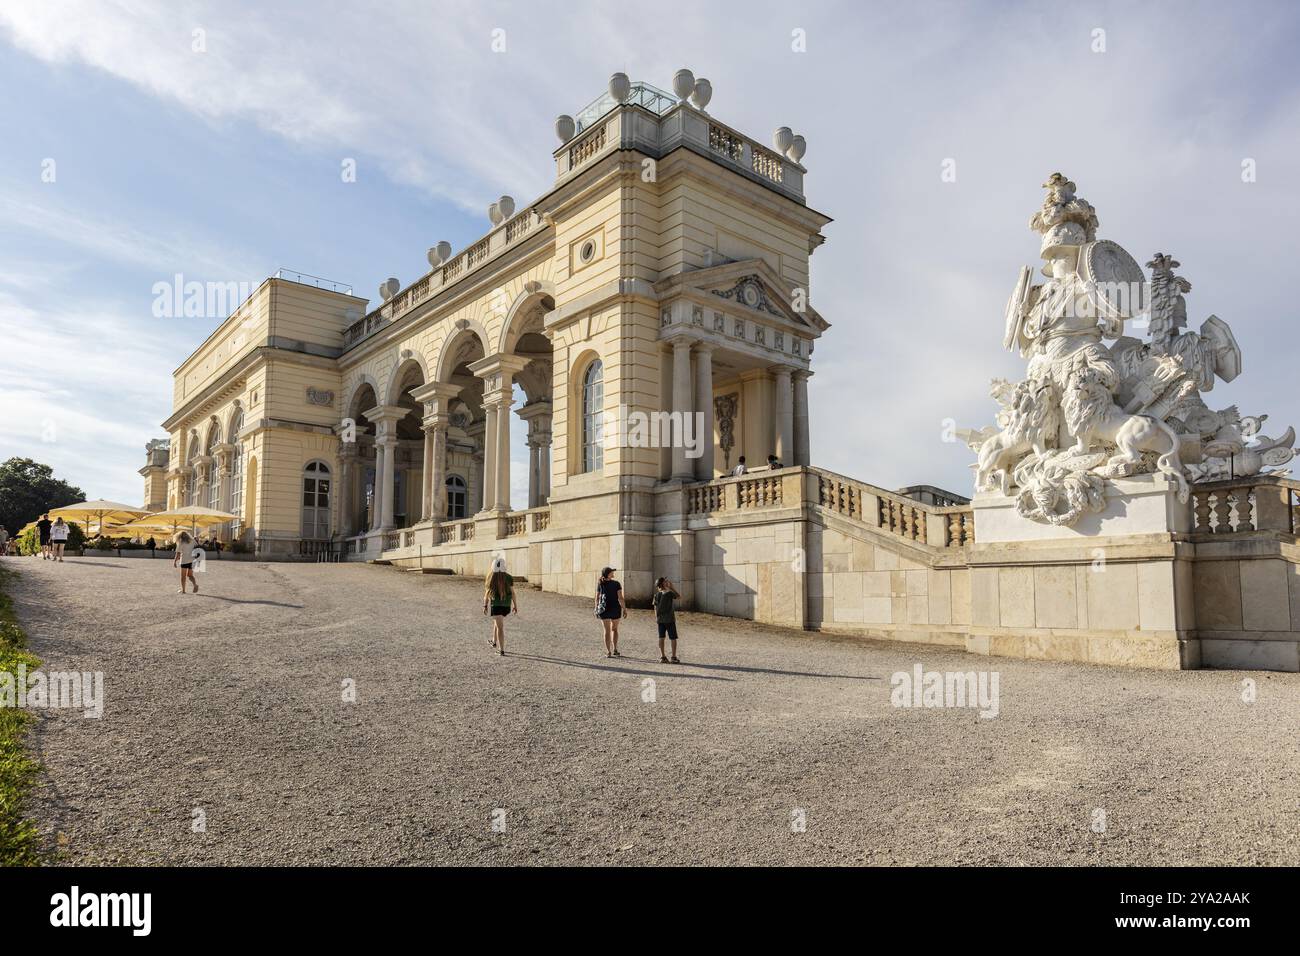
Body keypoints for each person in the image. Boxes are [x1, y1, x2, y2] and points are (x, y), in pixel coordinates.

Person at [482, 557, 517, 656]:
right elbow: (513, 593)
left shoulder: (491, 577)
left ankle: (501, 650)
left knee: (500, 627)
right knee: (497, 622)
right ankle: (494, 641)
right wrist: (515, 605)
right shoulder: (509, 577)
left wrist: (485, 606)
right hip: (506, 606)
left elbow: (487, 594)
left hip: (496, 606)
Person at [595, 566, 627, 658]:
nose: (613, 573)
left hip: (603, 609)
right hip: (615, 609)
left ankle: (608, 652)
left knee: (607, 631)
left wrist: (596, 608)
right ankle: (615, 649)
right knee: (615, 629)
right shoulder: (616, 584)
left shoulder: (600, 584)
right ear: (608, 574)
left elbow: (597, 598)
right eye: (612, 572)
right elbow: (620, 598)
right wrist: (624, 609)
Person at [653, 577, 682, 664]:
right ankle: (673, 657)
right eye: (665, 582)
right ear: (663, 584)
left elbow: (655, 608)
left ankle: (663, 657)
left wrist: (656, 618)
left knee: (661, 638)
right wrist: (672, 587)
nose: (667, 582)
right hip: (670, 620)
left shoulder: (656, 595)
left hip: (660, 620)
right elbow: (679, 597)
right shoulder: (669, 593)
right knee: (673, 638)